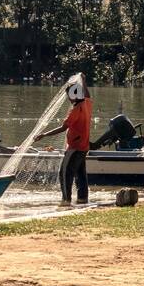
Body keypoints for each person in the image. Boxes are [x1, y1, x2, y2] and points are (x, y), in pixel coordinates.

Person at [38, 74, 92, 207]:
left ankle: (66, 200)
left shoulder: (75, 110)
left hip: (74, 148)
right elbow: (88, 95)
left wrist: (44, 134)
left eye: (69, 95)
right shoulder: (86, 104)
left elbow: (63, 128)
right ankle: (82, 199)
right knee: (80, 174)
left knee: (65, 173)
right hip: (84, 147)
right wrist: (84, 81)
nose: (68, 98)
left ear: (73, 95)